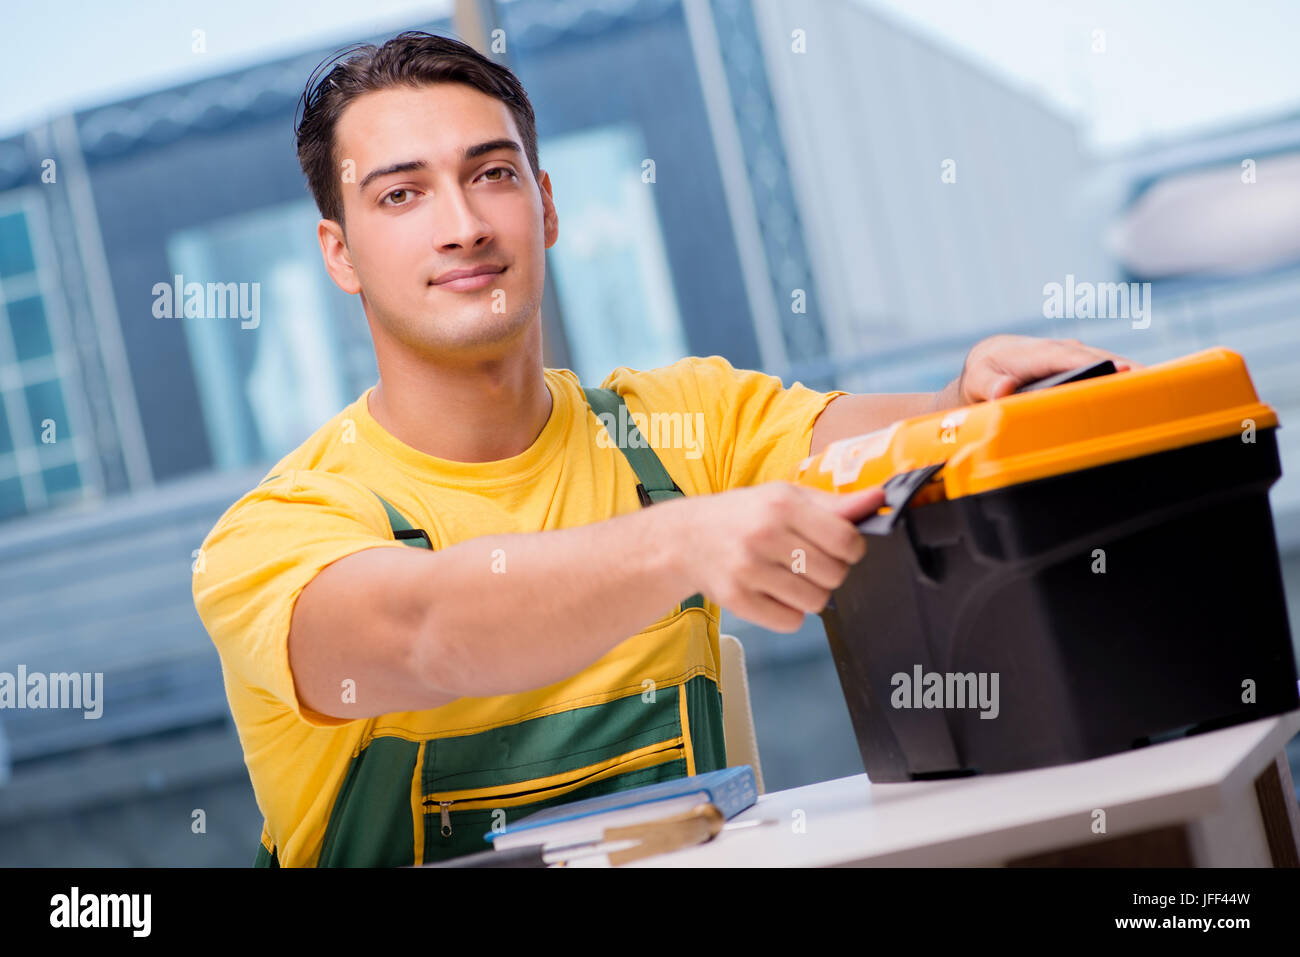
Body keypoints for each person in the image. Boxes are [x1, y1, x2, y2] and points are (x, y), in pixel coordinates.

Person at [192, 30, 1139, 867]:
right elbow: (424, 633)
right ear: (339, 252)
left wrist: (965, 402)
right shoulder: (278, 532)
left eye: (493, 173)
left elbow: (887, 444)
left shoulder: (676, 427)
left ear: (546, 205)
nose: (465, 224)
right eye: (402, 194)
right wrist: (685, 543)